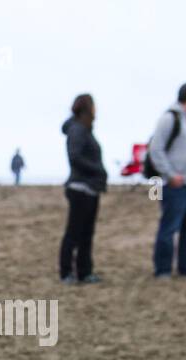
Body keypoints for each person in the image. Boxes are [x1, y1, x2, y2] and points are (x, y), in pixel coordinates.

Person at [150, 82, 186, 279]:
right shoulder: (169, 118)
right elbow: (156, 150)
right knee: (169, 228)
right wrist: (171, 175)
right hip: (176, 186)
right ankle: (163, 269)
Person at [60, 94, 106, 284]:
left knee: (87, 233)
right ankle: (66, 272)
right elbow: (74, 157)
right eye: (94, 105)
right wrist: (98, 170)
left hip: (91, 188)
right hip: (80, 188)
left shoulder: (86, 129)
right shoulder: (77, 129)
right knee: (74, 232)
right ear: (88, 107)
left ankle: (85, 271)